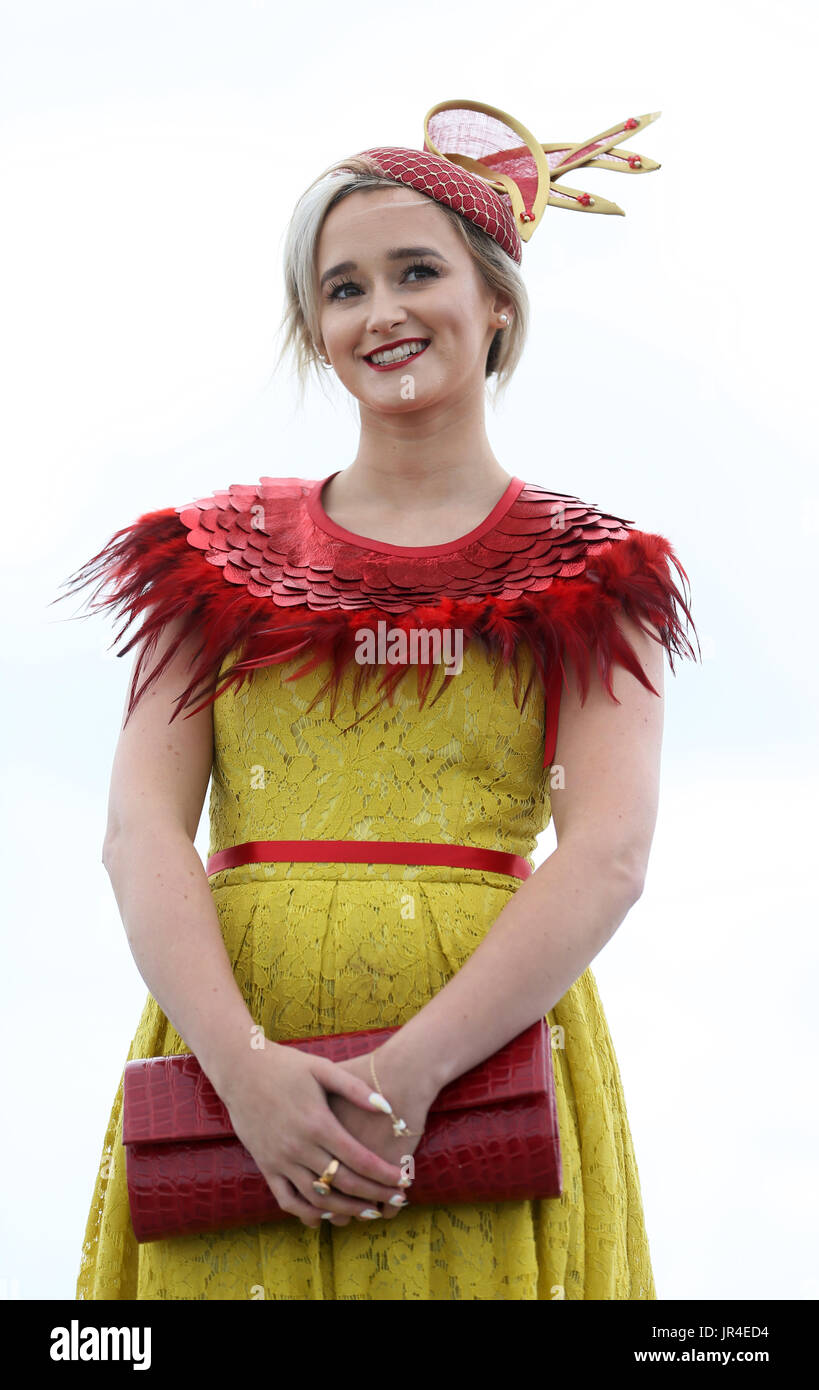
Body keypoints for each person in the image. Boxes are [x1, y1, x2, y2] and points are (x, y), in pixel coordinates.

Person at [57, 99, 697, 1300]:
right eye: (343, 287)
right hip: (228, 1073)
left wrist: (408, 1079)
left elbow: (606, 854)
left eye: (417, 271)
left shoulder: (596, 574)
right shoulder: (210, 558)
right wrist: (245, 1076)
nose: (382, 310)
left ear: (497, 299)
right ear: (316, 326)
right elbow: (141, 829)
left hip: (489, 1078)